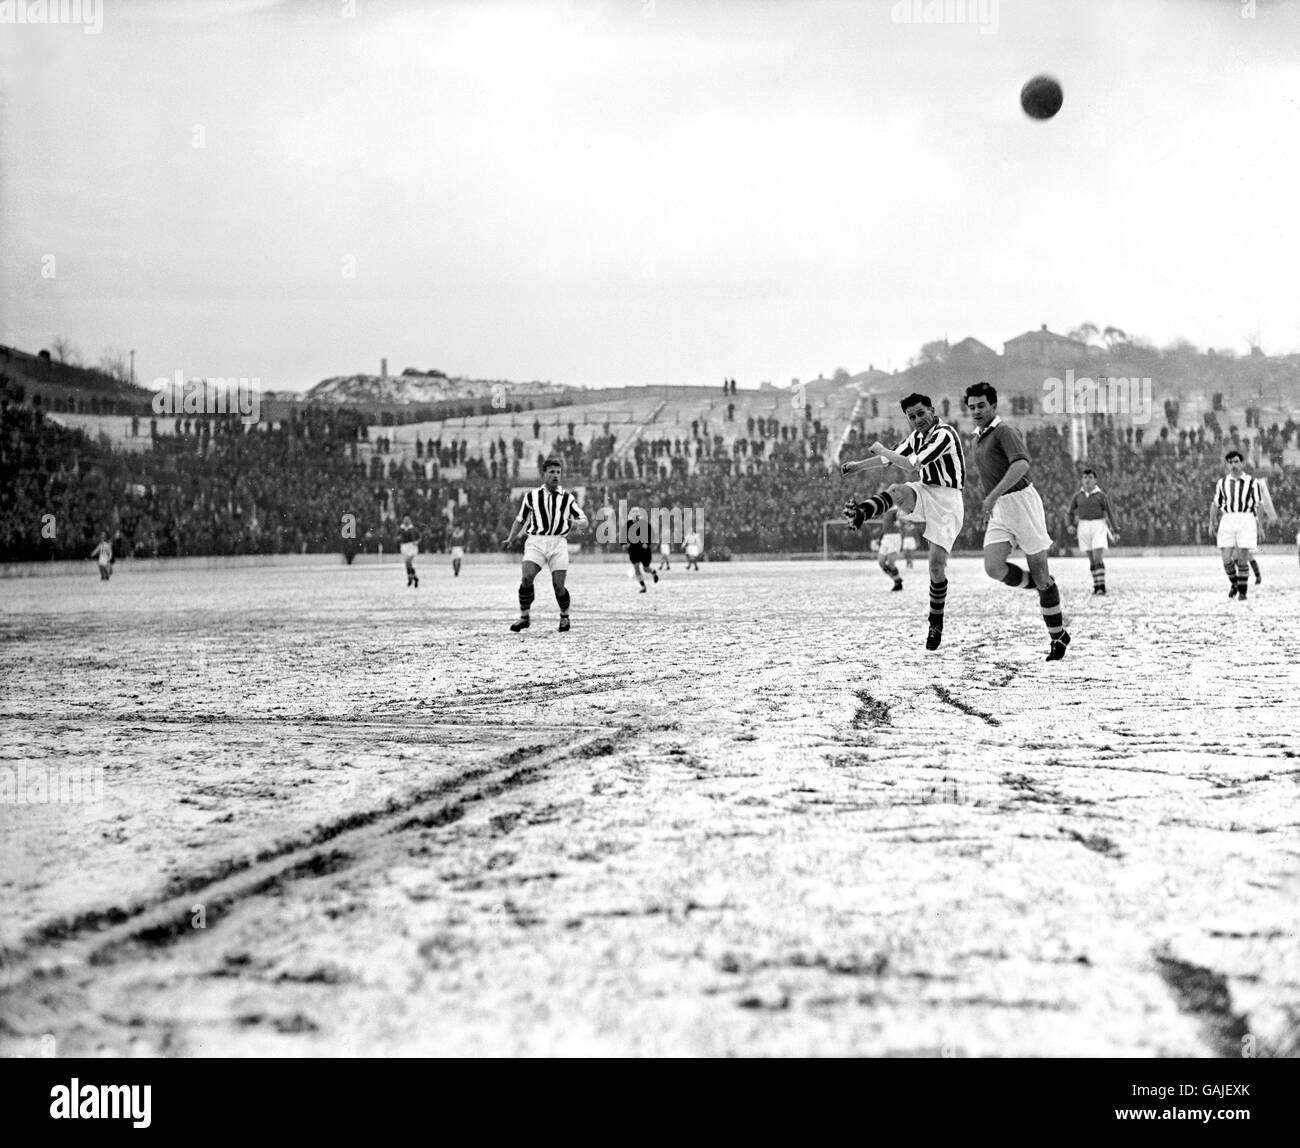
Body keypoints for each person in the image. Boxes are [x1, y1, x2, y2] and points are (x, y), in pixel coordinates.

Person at [842, 392, 964, 650]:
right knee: (897, 490)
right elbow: (890, 458)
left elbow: (911, 464)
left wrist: (883, 449)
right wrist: (858, 466)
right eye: (912, 417)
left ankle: (935, 622)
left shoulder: (945, 434)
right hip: (925, 489)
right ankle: (862, 512)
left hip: (948, 502)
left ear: (932, 410)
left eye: (921, 414)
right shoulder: (916, 436)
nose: (918, 420)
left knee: (935, 567)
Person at [964, 381, 1070, 660]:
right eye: (972, 407)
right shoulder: (977, 438)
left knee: (1041, 574)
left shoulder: (1004, 431)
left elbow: (1022, 464)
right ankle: (1044, 587)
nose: (976, 410)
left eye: (981, 405)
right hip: (1000, 509)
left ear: (994, 406)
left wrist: (992, 495)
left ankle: (1058, 636)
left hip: (1022, 503)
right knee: (993, 567)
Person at [501, 457, 588, 632]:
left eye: (558, 472)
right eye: (552, 472)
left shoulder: (567, 498)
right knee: (526, 577)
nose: (556, 475)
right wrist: (511, 538)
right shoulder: (532, 497)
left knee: (558, 585)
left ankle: (565, 616)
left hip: (558, 543)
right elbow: (520, 520)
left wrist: (575, 524)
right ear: (544, 474)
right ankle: (524, 616)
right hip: (536, 541)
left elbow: (584, 520)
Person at [1213, 450, 1273, 600]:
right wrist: (1211, 521)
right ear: (1227, 465)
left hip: (1246, 518)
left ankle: (1243, 593)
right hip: (1228, 518)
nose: (1233, 465)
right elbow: (1215, 503)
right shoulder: (1222, 483)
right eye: (1230, 462)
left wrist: (1260, 526)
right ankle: (1235, 584)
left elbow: (1259, 505)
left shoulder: (1252, 482)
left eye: (1236, 462)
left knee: (1242, 557)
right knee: (1226, 558)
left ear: (1242, 463)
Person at [1067, 467, 1120, 595]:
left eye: (1090, 477)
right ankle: (1096, 585)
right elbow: (1069, 512)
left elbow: (1110, 513)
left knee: (1098, 557)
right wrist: (1069, 525)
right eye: (1085, 477)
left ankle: (1102, 586)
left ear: (1095, 480)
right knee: (1091, 559)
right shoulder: (1078, 496)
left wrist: (1115, 530)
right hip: (1083, 527)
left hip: (1098, 526)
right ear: (1081, 480)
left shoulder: (1101, 496)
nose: (1087, 480)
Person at [625, 510, 659, 593]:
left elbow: (652, 535)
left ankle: (653, 572)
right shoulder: (628, 525)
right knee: (636, 567)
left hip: (644, 550)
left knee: (646, 568)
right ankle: (643, 586)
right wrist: (624, 544)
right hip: (633, 550)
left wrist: (647, 544)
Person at [877, 508, 904, 591]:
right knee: (881, 562)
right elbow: (885, 526)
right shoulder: (885, 511)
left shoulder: (895, 509)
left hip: (894, 537)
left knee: (891, 562)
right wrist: (880, 537)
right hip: (886, 537)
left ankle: (897, 583)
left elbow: (900, 517)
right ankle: (896, 579)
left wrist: (899, 521)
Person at [398, 515, 420, 587]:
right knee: (408, 564)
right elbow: (397, 536)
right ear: (403, 520)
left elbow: (419, 537)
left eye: (407, 519)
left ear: (410, 520)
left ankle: (410, 578)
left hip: (412, 547)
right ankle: (414, 578)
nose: (406, 521)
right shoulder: (401, 529)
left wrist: (417, 542)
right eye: (405, 519)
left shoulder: (413, 529)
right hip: (404, 547)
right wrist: (398, 538)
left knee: (408, 561)